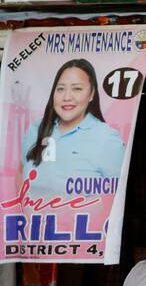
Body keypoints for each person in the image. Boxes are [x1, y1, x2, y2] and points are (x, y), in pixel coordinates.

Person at [18, 59, 126, 198]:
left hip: (84, 219)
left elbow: (119, 197)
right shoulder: (36, 130)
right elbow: (20, 171)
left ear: (92, 94)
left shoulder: (108, 139)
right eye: (61, 89)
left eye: (77, 88)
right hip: (35, 219)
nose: (67, 97)